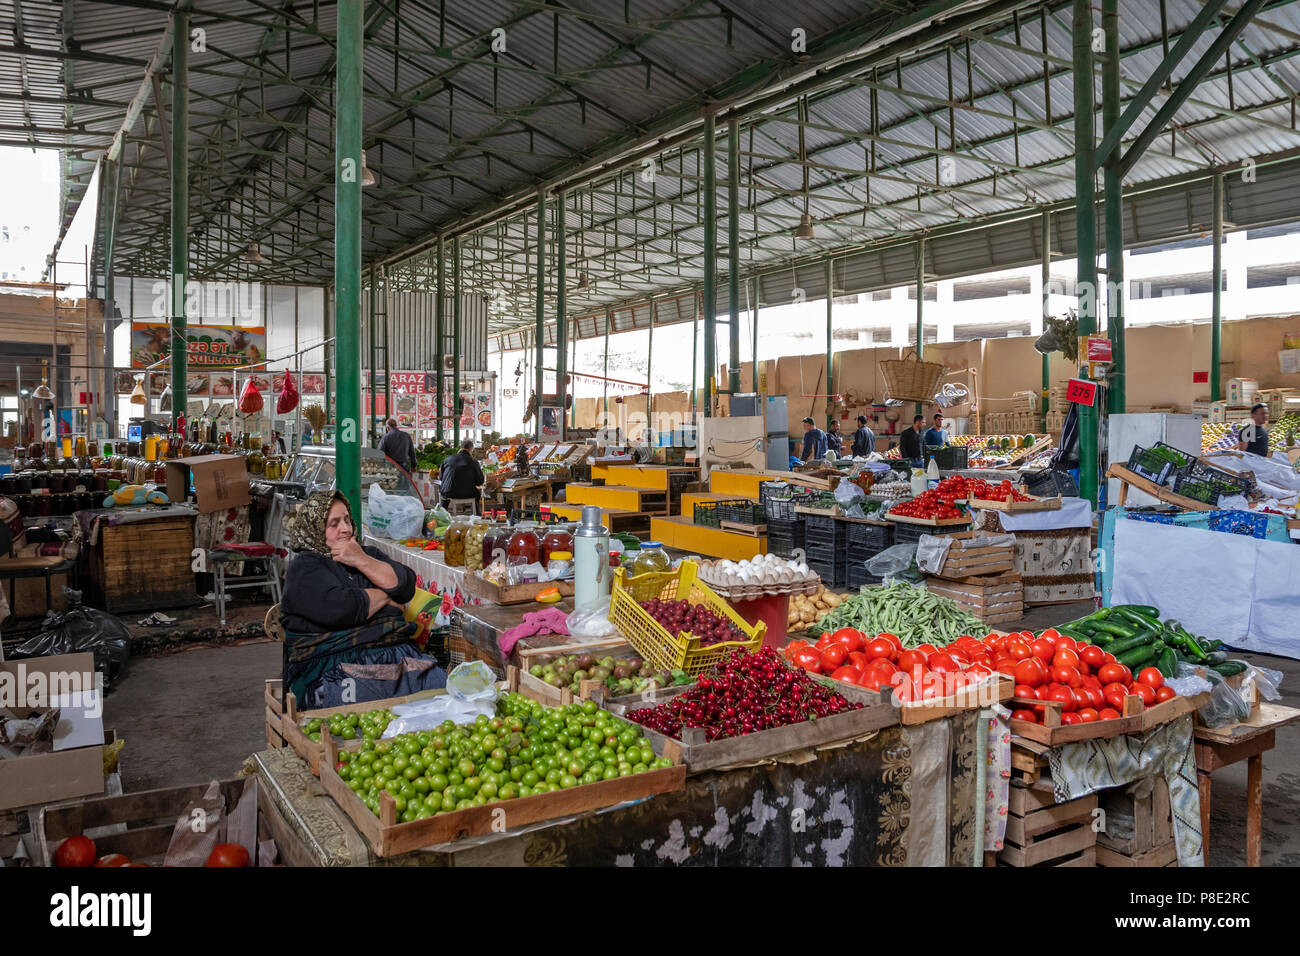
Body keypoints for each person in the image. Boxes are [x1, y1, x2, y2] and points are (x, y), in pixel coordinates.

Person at [280, 491, 446, 708]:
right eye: (334, 524)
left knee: (441, 687)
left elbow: (406, 584)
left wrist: (360, 560)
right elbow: (344, 608)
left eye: (347, 520)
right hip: (336, 664)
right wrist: (387, 594)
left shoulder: (368, 554)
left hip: (397, 654)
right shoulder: (306, 567)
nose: (346, 529)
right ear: (315, 529)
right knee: (373, 701)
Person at [440, 438, 485, 508]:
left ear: (461, 448)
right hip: (467, 493)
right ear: (471, 449)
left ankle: (443, 511)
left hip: (447, 492)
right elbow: (480, 481)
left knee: (447, 489)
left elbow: (441, 478)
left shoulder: (447, 459)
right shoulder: (473, 461)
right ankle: (476, 514)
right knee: (477, 494)